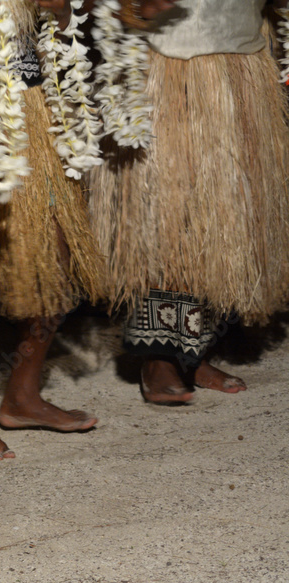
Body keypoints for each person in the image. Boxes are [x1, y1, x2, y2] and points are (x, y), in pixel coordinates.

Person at [87, 0, 289, 405]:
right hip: (164, 66)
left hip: (241, 65)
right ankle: (158, 356)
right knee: (165, 212)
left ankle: (193, 352)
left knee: (221, 213)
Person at [0, 0, 106, 461]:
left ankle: (22, 393)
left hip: (35, 107)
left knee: (55, 252)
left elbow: (79, 16)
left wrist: (59, 13)